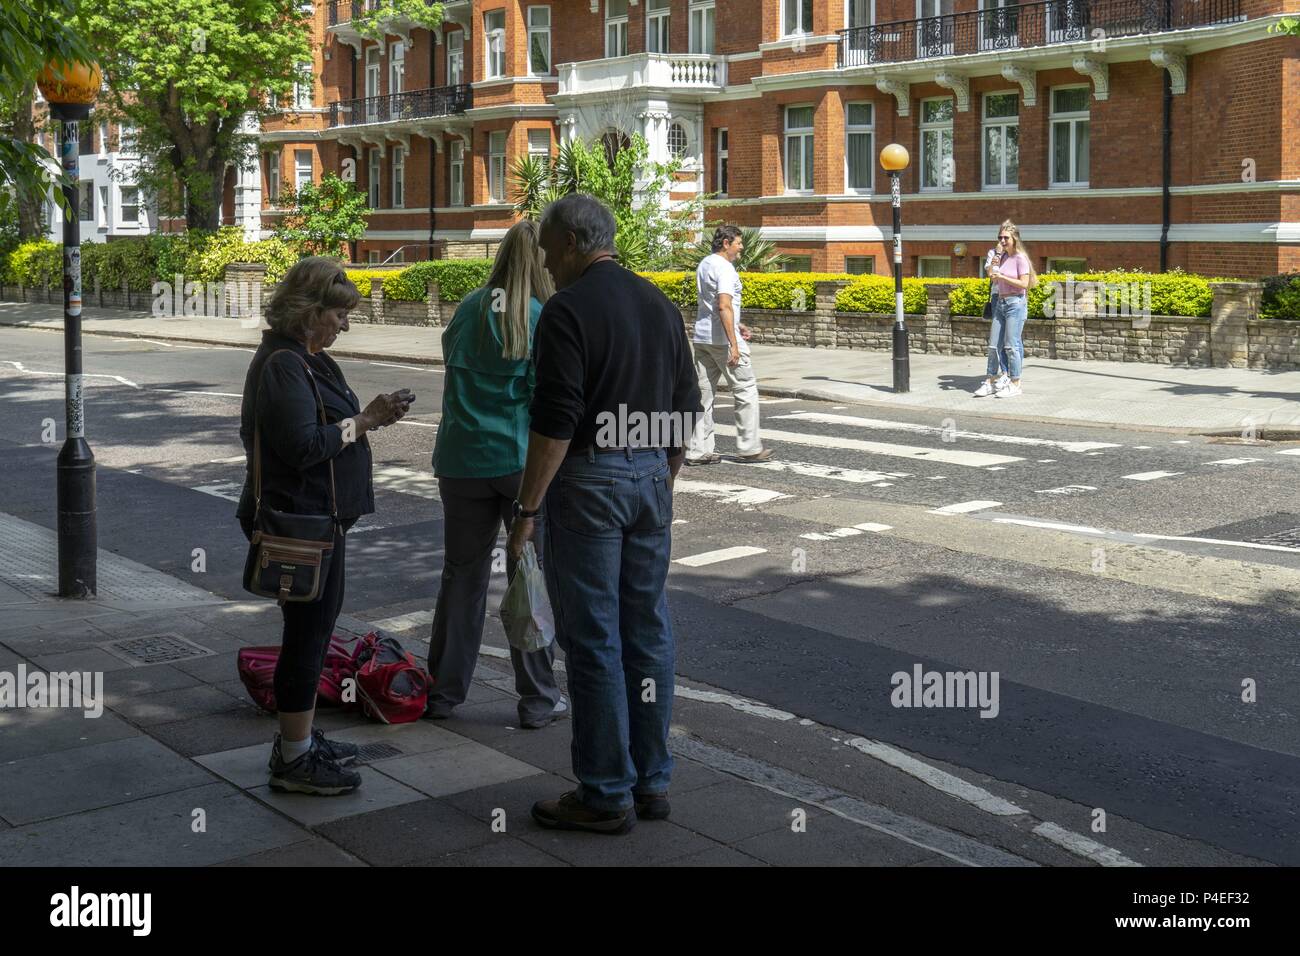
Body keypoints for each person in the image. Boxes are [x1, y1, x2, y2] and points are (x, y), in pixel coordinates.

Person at [506, 193, 701, 835]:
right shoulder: (659, 303)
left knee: (593, 640)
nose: (544, 262)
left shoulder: (567, 309)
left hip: (589, 479)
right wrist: (659, 476)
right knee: (648, 630)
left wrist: (528, 506)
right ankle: (652, 780)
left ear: (569, 244)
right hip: (650, 473)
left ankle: (604, 791)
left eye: (546, 249)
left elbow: (556, 420)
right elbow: (686, 402)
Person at [236, 257, 411, 795]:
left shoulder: (311, 359)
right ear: (309, 312)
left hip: (320, 519)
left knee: (313, 631)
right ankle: (293, 759)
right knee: (307, 636)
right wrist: (365, 421)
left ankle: (301, 739)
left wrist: (363, 422)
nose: (345, 324)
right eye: (339, 314)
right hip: (300, 523)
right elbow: (303, 446)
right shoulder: (285, 364)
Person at [425, 220, 565, 728]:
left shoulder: (467, 309)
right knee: (527, 578)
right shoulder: (539, 317)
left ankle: (442, 692)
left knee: (461, 577)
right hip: (517, 463)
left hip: (460, 461)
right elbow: (545, 405)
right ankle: (537, 699)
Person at [684, 224, 773, 466]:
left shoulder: (704, 264)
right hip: (723, 341)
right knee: (745, 390)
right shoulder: (725, 268)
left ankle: (697, 450)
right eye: (738, 243)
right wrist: (734, 343)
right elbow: (723, 304)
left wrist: (739, 323)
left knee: (703, 395)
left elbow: (713, 305)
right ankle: (749, 448)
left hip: (703, 338)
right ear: (726, 243)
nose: (741, 247)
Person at [975, 220, 1036, 399]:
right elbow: (993, 277)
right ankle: (990, 382)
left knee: (1011, 346)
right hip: (1000, 303)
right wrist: (995, 264)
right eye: (1000, 237)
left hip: (1015, 304)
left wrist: (1002, 276)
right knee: (993, 345)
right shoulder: (1001, 257)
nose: (1002, 240)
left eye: (1006, 237)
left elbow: (1024, 284)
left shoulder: (1020, 258)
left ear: (1014, 238)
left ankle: (1015, 383)